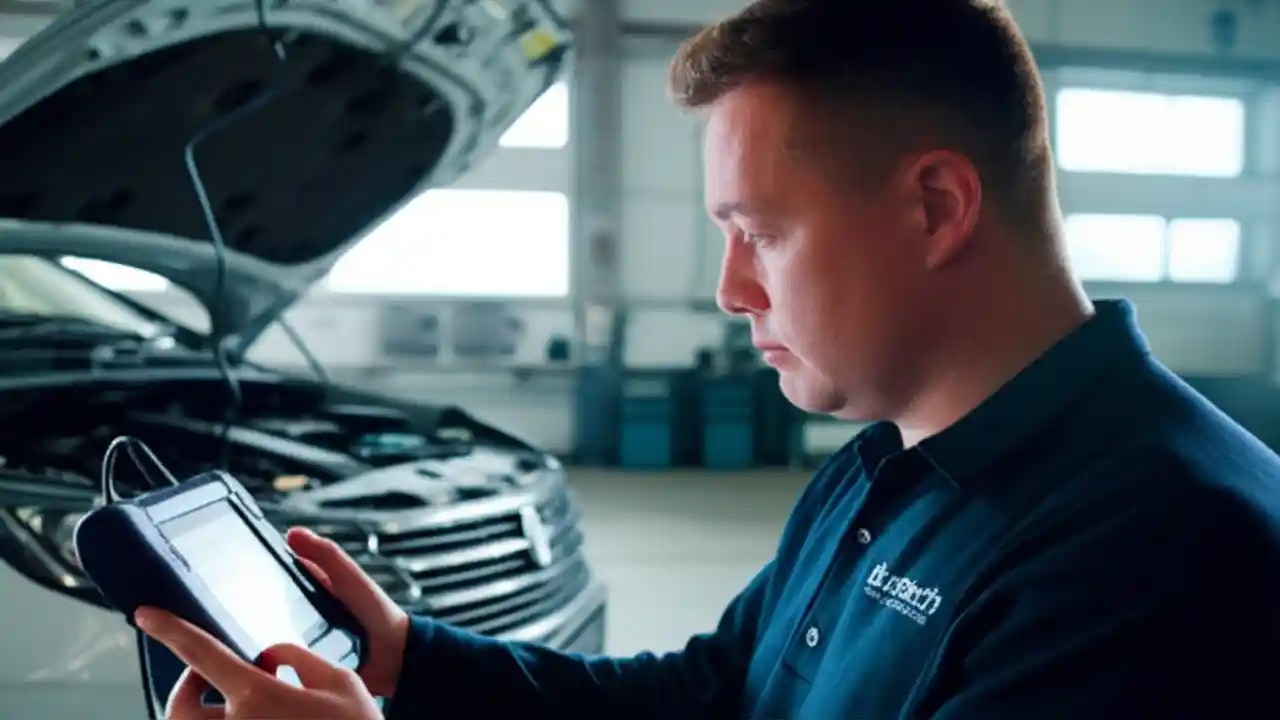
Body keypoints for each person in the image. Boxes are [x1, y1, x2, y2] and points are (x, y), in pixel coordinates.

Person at [137, 0, 1280, 717]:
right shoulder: (881, 462)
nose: (730, 291)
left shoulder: (1168, 556)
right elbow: (713, 693)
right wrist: (412, 660)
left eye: (759, 233)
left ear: (934, 206)